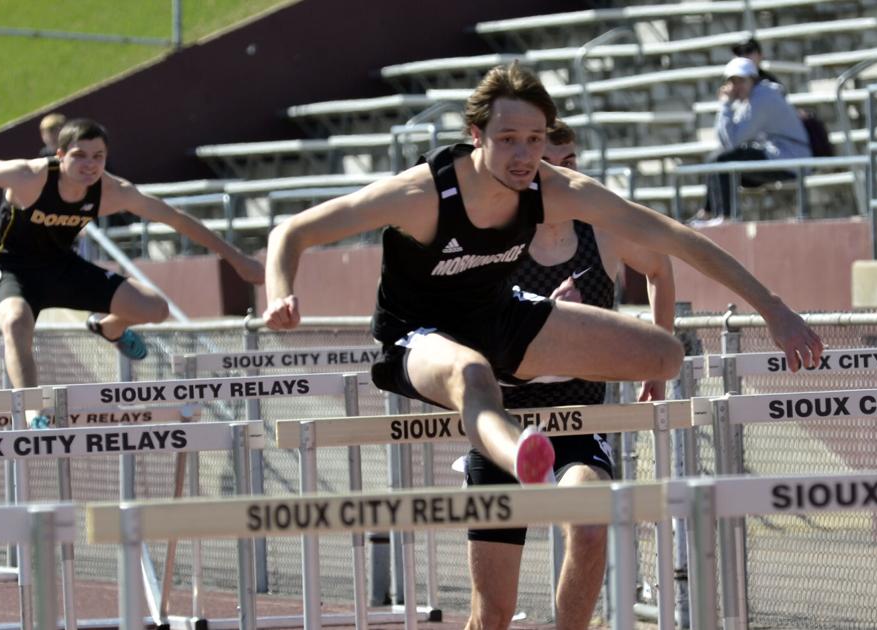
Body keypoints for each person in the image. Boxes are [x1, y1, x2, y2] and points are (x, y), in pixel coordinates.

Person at [264, 62, 821, 493]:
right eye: (508, 139)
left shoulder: (554, 188)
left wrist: (773, 308)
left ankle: (530, 416)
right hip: (418, 335)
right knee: (472, 373)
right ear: (477, 135)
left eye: (535, 139)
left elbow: (672, 237)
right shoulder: (424, 195)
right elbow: (290, 232)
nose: (524, 155)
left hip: (497, 316)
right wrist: (280, 293)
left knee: (664, 354)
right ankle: (524, 456)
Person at [0, 119, 265, 417]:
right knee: (14, 322)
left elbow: (176, 219)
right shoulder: (28, 177)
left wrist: (237, 258)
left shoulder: (112, 191)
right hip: (14, 270)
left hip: (63, 269)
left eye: (98, 157)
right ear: (59, 155)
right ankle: (31, 411)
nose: (89, 165)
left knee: (155, 308)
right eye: (80, 156)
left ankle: (110, 327)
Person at [462, 118, 675, 630]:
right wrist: (540, 319)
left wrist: (656, 364)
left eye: (571, 165)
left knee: (589, 522)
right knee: (491, 614)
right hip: (503, 426)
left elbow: (660, 267)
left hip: (579, 420)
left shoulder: (601, 229)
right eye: (548, 170)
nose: (563, 181)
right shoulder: (492, 237)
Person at [691, 57, 811, 225]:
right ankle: (708, 213)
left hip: (789, 159)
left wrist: (725, 106)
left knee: (722, 161)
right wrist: (727, 106)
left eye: (741, 80)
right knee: (716, 159)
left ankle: (725, 217)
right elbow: (726, 142)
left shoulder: (762, 98)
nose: (736, 86)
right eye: (733, 81)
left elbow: (733, 141)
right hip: (776, 155)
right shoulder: (752, 98)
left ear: (753, 80)